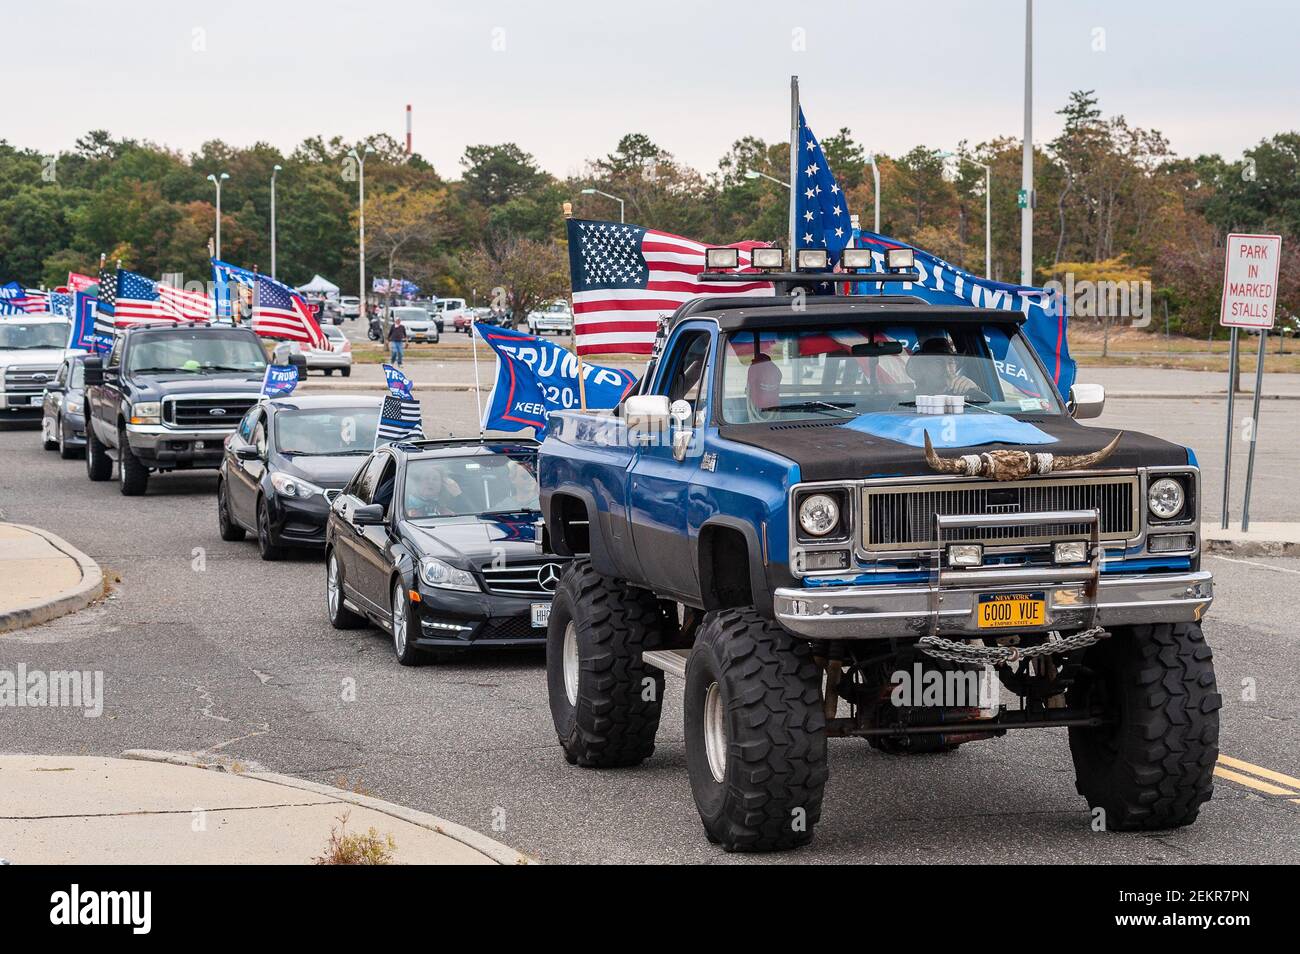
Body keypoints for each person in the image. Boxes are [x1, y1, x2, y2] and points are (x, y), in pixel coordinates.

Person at [906, 337, 992, 403]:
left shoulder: (964, 397)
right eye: (938, 362)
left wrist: (974, 391)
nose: (947, 370)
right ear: (923, 368)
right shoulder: (907, 401)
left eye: (951, 362)